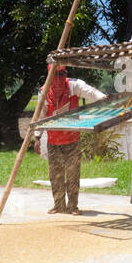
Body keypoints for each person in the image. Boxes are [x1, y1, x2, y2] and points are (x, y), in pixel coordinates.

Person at [42, 66, 105, 215]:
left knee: (73, 174)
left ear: (65, 75)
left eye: (61, 74)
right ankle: (59, 205)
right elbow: (41, 115)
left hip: (72, 139)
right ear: (50, 77)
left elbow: (90, 92)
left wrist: (103, 99)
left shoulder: (74, 85)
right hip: (53, 141)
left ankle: (72, 206)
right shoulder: (43, 92)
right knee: (55, 175)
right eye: (56, 75)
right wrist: (38, 137)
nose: (59, 78)